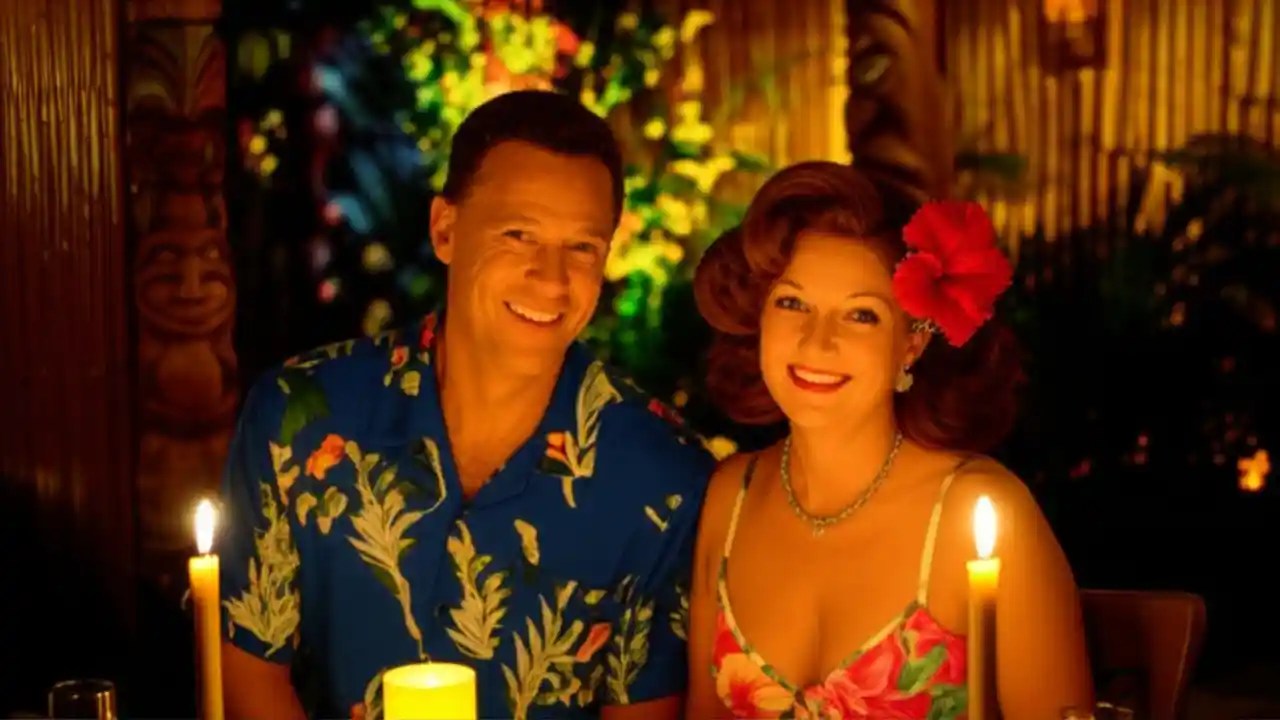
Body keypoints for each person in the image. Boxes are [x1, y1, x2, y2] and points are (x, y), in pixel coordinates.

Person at [216, 90, 713, 720]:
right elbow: (250, 680)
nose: (552, 278)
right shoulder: (300, 418)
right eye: (519, 234)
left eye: (582, 247)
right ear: (446, 229)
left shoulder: (663, 482)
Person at [685, 162, 1094, 719]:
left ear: (913, 344)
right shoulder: (728, 499)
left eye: (861, 315)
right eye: (792, 303)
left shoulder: (983, 517)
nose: (817, 340)